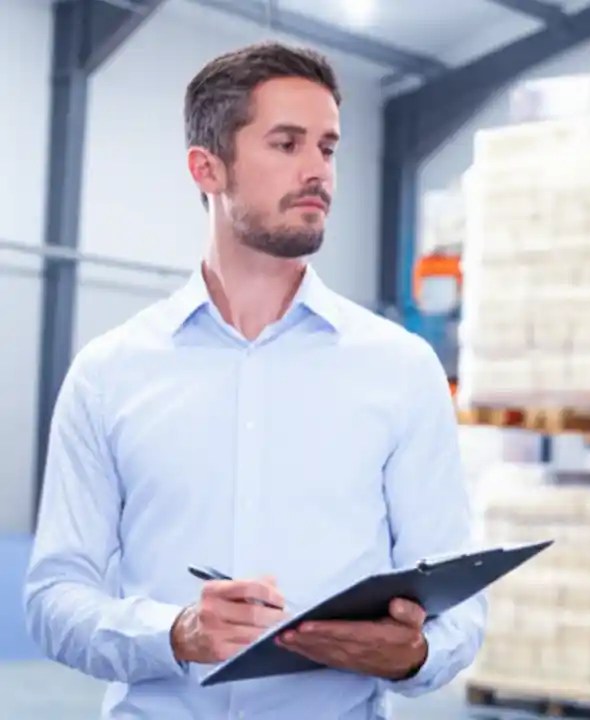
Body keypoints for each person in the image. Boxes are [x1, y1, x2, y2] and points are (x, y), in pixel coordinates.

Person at [23, 42, 484, 718]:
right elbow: (54, 597)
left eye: (326, 148)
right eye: (286, 143)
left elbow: (460, 607)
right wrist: (174, 633)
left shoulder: (401, 368)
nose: (317, 172)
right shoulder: (109, 373)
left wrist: (412, 655)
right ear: (207, 168)